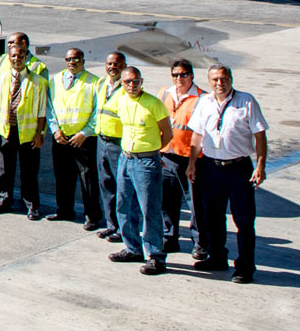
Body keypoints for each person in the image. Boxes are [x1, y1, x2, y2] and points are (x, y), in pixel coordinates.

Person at [186, 64, 268, 284]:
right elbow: (197, 135)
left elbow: (260, 136)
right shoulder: (204, 103)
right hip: (211, 168)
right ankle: (217, 258)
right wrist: (192, 163)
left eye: (224, 79)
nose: (220, 84)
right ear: (209, 81)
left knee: (244, 220)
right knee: (212, 218)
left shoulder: (246, 101)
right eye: (215, 80)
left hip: (239, 169)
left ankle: (245, 267)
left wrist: (260, 165)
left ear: (231, 79)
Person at [104, 66, 172, 275]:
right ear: (122, 83)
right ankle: (132, 248)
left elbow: (167, 134)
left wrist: (152, 152)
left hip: (146, 162)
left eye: (136, 81)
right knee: (124, 205)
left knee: (149, 209)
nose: (132, 86)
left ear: (141, 81)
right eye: (127, 82)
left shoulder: (154, 103)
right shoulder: (120, 99)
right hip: (126, 158)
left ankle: (156, 256)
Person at [0, 44, 47, 219]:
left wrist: (40, 133)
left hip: (28, 134)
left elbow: (42, 111)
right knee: (4, 169)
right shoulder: (1, 79)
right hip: (7, 131)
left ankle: (31, 205)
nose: (16, 59)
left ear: (25, 58)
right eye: (13, 56)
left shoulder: (38, 81)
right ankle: (4, 199)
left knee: (29, 171)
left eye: (20, 56)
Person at [46, 48, 104, 228]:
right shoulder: (55, 80)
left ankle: (92, 216)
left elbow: (98, 112)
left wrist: (84, 133)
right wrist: (55, 130)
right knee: (62, 176)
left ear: (83, 60)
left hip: (83, 139)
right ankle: (64, 210)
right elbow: (50, 107)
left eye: (76, 59)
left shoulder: (94, 82)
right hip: (62, 137)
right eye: (69, 59)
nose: (72, 62)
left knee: (88, 178)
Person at [158, 59, 204, 254]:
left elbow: (201, 133)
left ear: (191, 75)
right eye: (175, 75)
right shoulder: (164, 94)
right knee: (167, 202)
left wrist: (193, 162)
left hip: (191, 159)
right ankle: (170, 238)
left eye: (183, 74)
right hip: (167, 156)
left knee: (196, 205)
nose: (179, 78)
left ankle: (200, 244)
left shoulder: (202, 98)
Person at [95, 51, 129, 242]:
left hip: (118, 143)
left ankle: (124, 229)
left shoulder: (127, 87)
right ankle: (111, 224)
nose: (112, 67)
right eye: (109, 63)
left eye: (117, 64)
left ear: (124, 65)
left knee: (122, 189)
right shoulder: (102, 84)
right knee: (106, 185)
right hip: (102, 141)